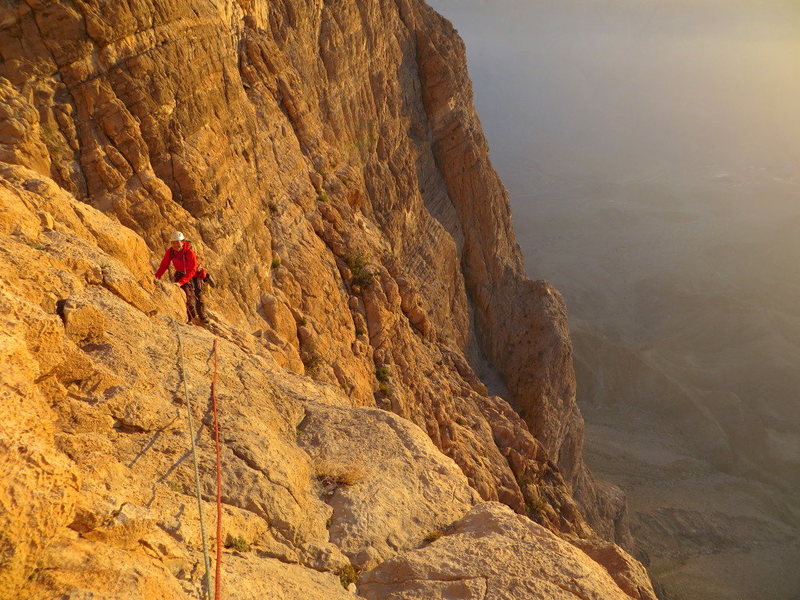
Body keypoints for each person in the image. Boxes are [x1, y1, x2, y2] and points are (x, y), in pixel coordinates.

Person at [155, 231, 208, 323]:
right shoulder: (170, 252)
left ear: (183, 242)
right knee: (188, 296)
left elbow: (192, 270)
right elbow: (164, 265)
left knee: (198, 295)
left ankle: (202, 315)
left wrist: (181, 282)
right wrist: (157, 277)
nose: (176, 245)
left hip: (194, 274)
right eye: (173, 243)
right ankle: (191, 319)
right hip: (181, 273)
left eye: (178, 242)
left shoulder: (189, 252)